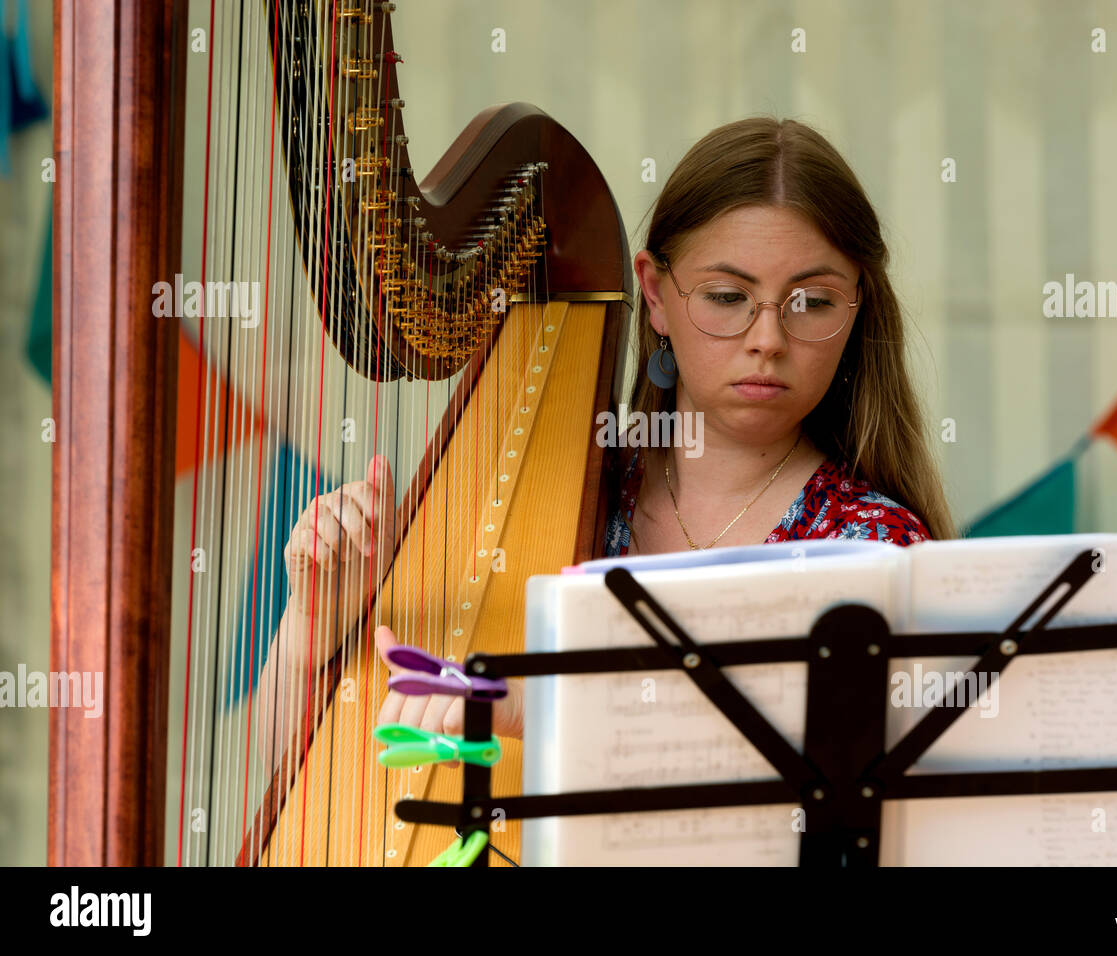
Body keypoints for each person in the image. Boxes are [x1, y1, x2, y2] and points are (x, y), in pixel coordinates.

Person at [254, 115, 954, 771]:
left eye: (811, 302)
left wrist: (551, 708)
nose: (767, 339)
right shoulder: (559, 479)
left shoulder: (875, 549)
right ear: (654, 294)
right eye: (726, 297)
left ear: (856, 308)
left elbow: (841, 800)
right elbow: (298, 765)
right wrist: (311, 630)